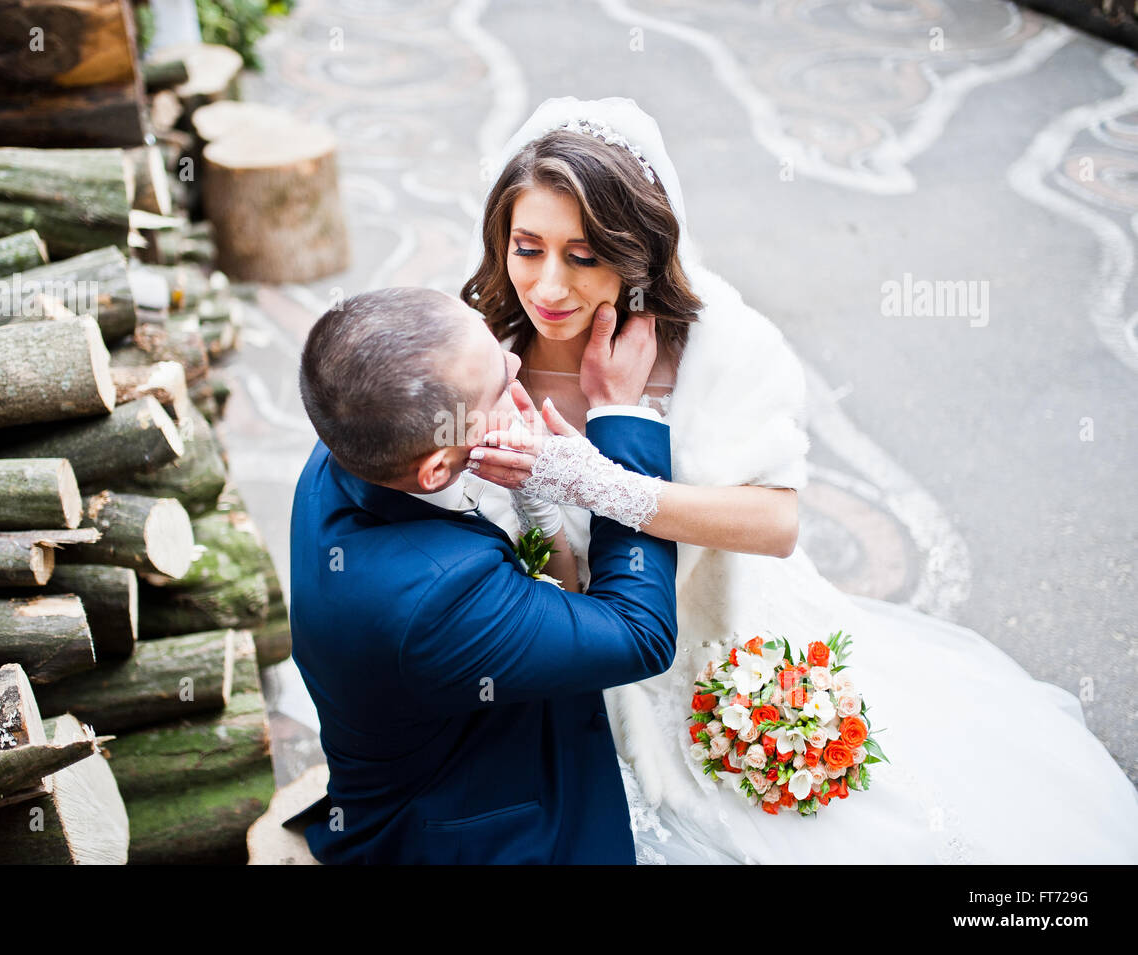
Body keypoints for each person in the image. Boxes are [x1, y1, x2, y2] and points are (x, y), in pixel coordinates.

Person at [459, 96, 1138, 864]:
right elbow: (563, 590)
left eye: (583, 256)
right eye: (527, 248)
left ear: (637, 248)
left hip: (731, 642)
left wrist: (600, 478)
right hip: (593, 670)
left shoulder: (722, 344)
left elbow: (777, 526)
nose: (549, 285)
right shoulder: (485, 362)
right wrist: (542, 501)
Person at [287, 285, 681, 864]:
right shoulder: (432, 601)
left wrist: (538, 509)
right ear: (436, 468)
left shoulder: (353, 432)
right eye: (499, 382)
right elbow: (641, 636)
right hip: (471, 830)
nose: (517, 361)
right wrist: (616, 444)